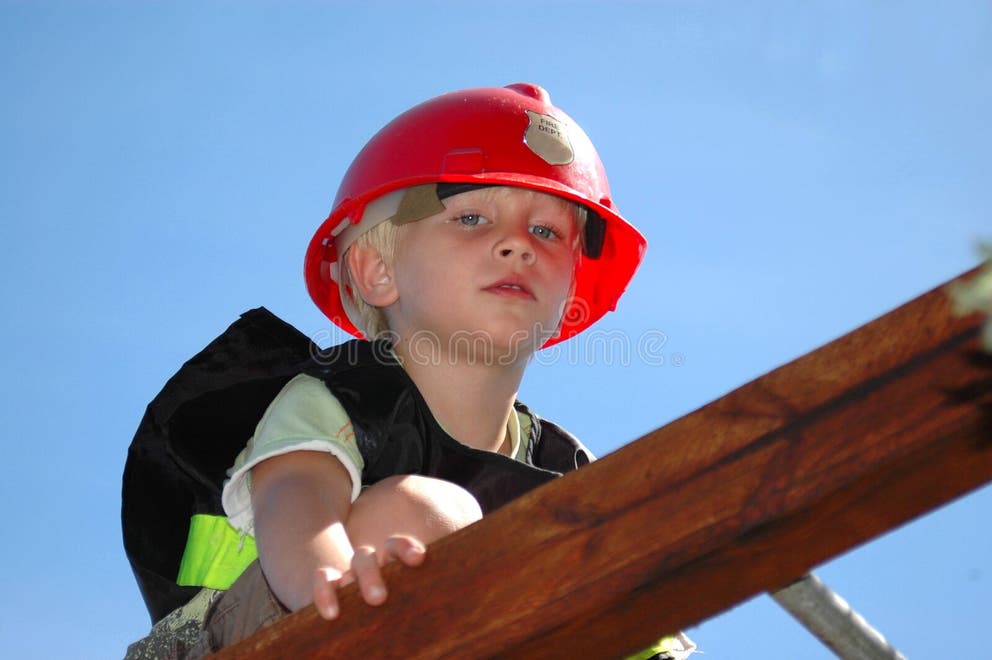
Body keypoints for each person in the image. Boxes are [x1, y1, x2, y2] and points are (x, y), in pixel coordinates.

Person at [124, 82, 694, 659]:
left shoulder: (564, 471)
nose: (517, 246)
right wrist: (341, 590)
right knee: (427, 513)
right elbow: (297, 501)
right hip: (269, 634)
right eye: (472, 217)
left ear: (572, 293)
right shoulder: (341, 402)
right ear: (375, 270)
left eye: (546, 232)